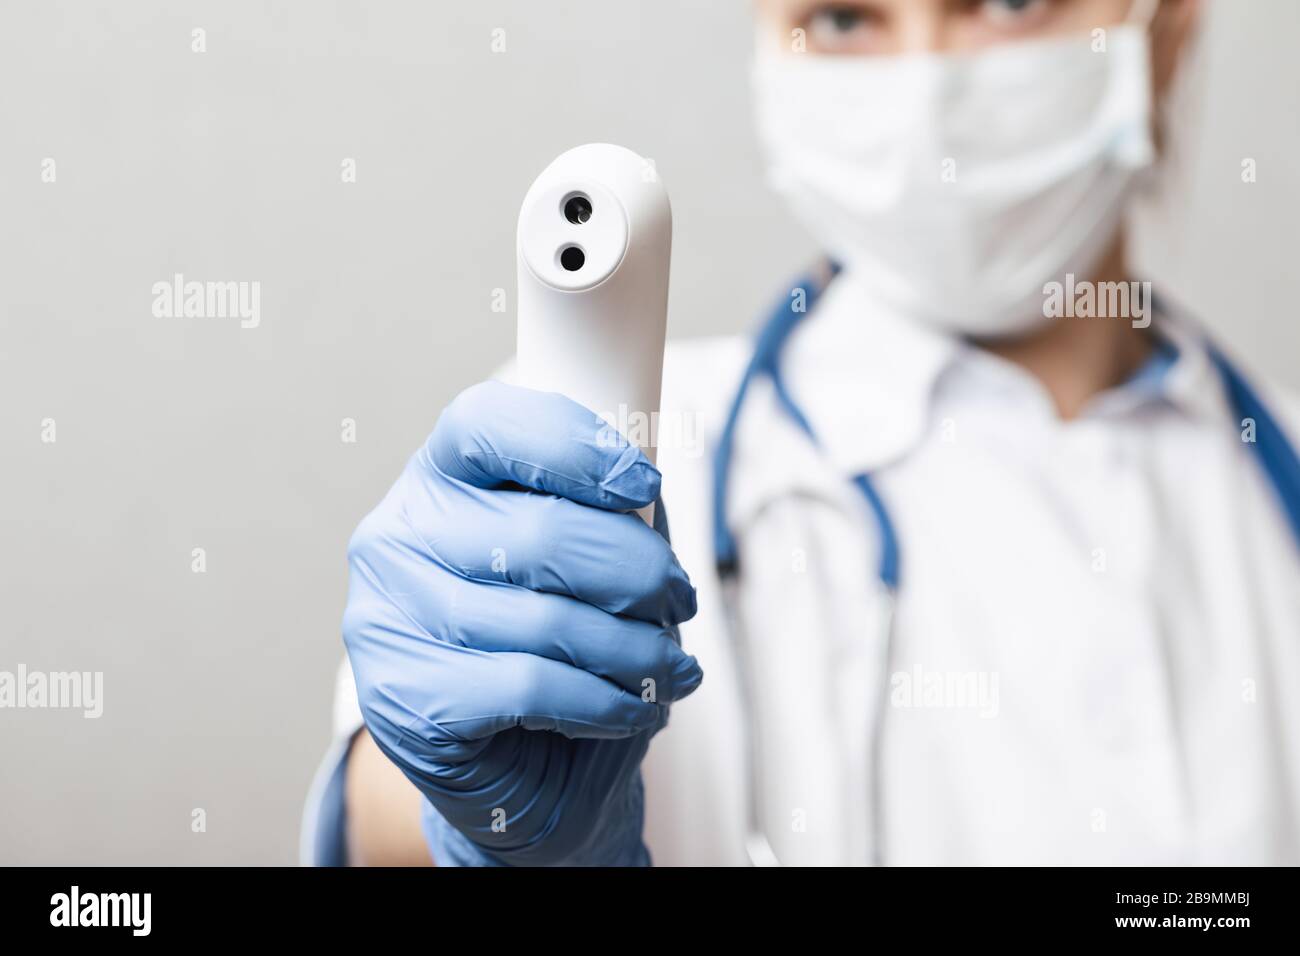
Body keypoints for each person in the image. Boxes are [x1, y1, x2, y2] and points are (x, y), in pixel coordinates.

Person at [303, 0, 1300, 866]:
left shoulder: (1273, 466)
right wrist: (473, 810)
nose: (925, 87)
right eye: (842, 16)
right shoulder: (606, 457)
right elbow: (386, 825)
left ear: (1165, 25)